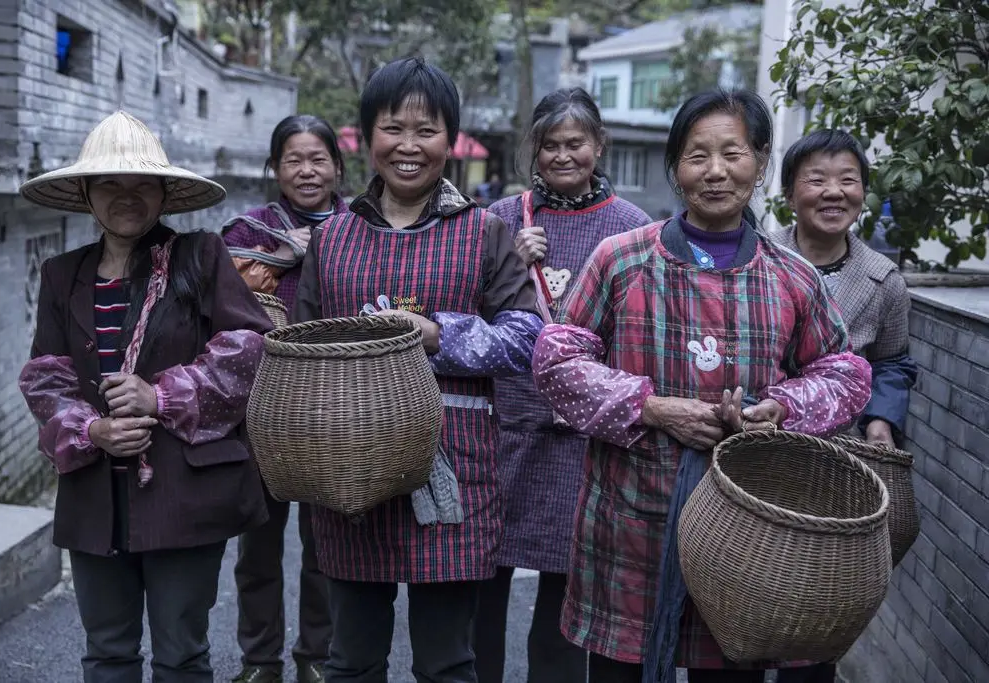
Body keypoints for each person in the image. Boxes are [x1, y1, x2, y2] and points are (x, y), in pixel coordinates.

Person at [529, 89, 873, 683]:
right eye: (697, 156)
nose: (715, 172)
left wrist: (782, 409)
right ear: (676, 167)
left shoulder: (791, 276)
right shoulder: (622, 259)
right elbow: (558, 358)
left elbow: (844, 370)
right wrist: (651, 406)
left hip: (746, 539)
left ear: (762, 163)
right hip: (631, 524)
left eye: (733, 153)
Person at [293, 56, 543, 683]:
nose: (409, 146)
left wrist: (440, 335)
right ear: (366, 136)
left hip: (455, 470)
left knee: (446, 661)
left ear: (451, 140)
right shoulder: (332, 238)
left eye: (426, 130)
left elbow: (528, 339)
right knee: (350, 659)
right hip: (349, 470)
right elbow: (298, 349)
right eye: (392, 128)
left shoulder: (485, 233)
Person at [17, 110, 272, 683]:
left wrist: (160, 396)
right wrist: (93, 431)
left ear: (163, 194)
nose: (125, 196)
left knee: (181, 652)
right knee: (107, 650)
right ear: (86, 193)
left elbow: (249, 351)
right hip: (94, 496)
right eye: (109, 183)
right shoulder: (63, 275)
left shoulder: (201, 257)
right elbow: (46, 379)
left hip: (184, 491)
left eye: (141, 184)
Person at [474, 87, 649, 683]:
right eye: (550, 145)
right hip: (506, 431)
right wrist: (511, 263)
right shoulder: (501, 219)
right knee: (482, 583)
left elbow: (636, 331)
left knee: (565, 594)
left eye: (576, 143)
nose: (563, 155)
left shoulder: (630, 229)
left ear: (598, 146)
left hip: (581, 439)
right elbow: (469, 315)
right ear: (535, 151)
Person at [770, 130, 917, 683]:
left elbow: (894, 362)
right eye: (816, 179)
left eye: (848, 180)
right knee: (739, 603)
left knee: (814, 626)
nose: (834, 192)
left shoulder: (884, 282)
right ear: (789, 194)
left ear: (863, 193)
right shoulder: (758, 257)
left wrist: (882, 421)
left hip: (838, 471)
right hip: (755, 456)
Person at [223, 114, 349, 683]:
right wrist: (282, 253)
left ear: (338, 168)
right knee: (258, 543)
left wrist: (319, 249)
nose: (306, 170)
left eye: (318, 159)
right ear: (274, 168)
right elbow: (220, 292)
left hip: (334, 406)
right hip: (261, 408)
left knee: (326, 543)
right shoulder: (248, 231)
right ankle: (259, 660)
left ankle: (317, 657)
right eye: (293, 160)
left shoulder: (358, 228)